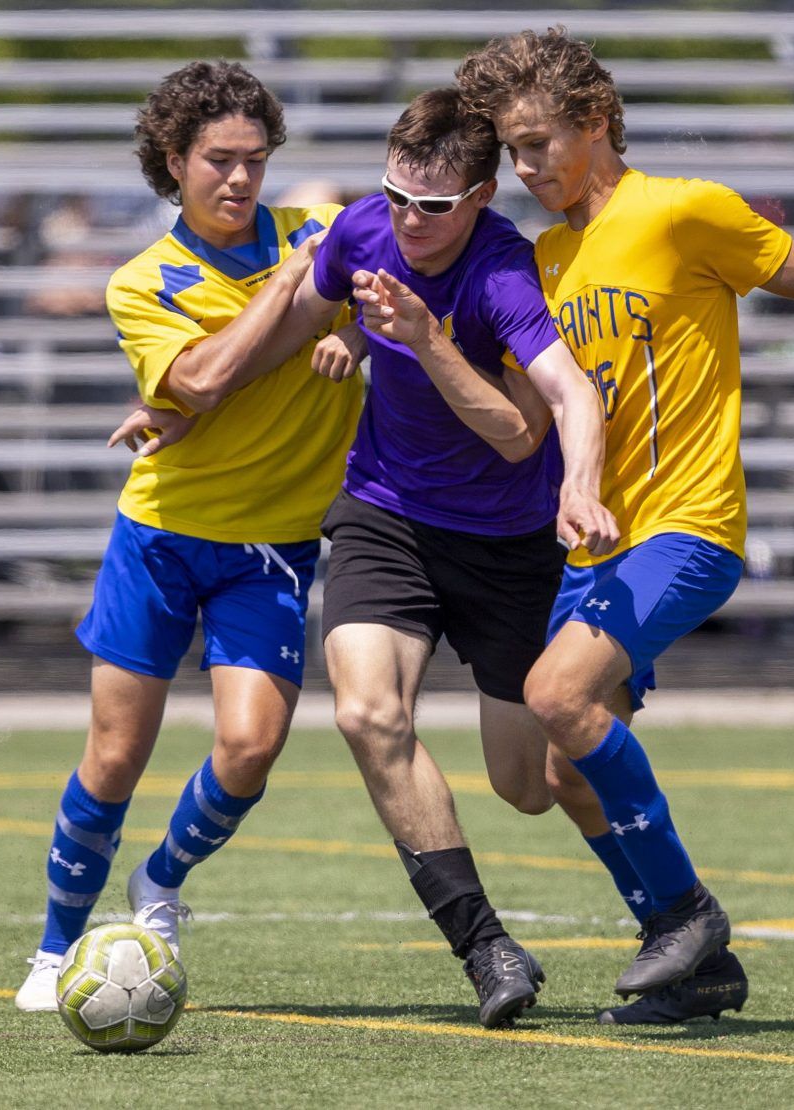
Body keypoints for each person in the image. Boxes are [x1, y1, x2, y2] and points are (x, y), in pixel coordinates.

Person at [113, 87, 616, 1029]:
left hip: (508, 543)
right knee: (365, 712)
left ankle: (671, 908)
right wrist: (184, 405)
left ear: (478, 199)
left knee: (529, 787)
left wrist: (571, 477)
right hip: (386, 517)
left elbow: (533, 425)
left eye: (433, 206)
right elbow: (286, 330)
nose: (409, 223)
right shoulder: (359, 232)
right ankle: (485, 947)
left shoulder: (504, 272)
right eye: (396, 197)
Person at [456, 27, 794, 1025]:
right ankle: (698, 972)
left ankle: (685, 914)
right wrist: (420, 349)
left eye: (536, 144)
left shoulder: (683, 210)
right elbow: (531, 423)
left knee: (554, 692)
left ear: (595, 123)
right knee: (554, 771)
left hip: (688, 528)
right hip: (597, 543)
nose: (523, 168)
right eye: (510, 151)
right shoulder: (549, 255)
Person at [14, 60, 364, 1012]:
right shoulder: (141, 280)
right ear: (175, 161)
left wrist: (353, 330)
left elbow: (407, 273)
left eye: (256, 159)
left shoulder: (321, 236)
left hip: (276, 545)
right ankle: (53, 952)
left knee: (251, 747)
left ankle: (159, 882)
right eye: (219, 159)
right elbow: (204, 378)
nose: (241, 179)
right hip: (162, 536)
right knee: (116, 754)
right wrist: (298, 287)